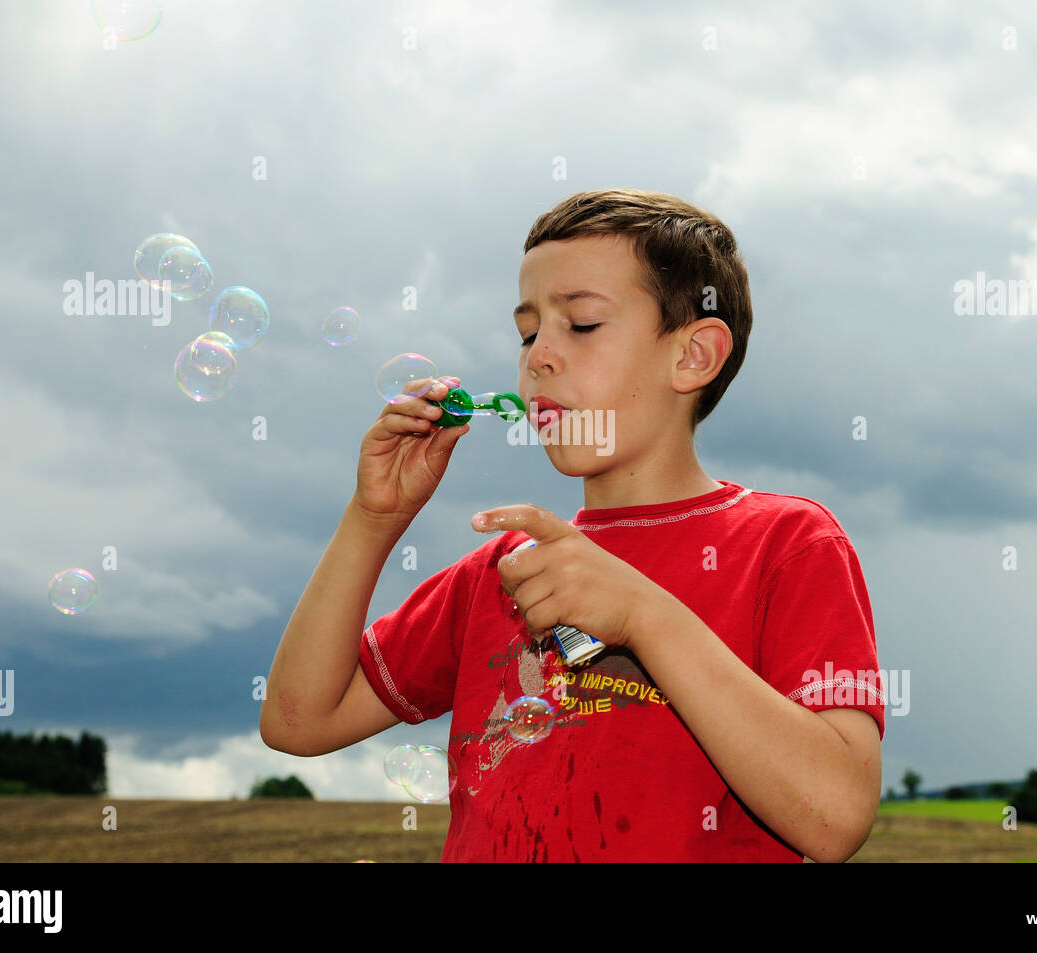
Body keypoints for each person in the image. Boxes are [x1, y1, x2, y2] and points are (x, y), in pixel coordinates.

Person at [261, 188, 884, 862]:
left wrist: (644, 615)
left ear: (694, 355)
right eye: (528, 331)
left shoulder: (787, 544)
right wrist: (372, 518)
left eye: (581, 324)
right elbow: (296, 720)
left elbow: (836, 817)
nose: (538, 357)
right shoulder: (505, 570)